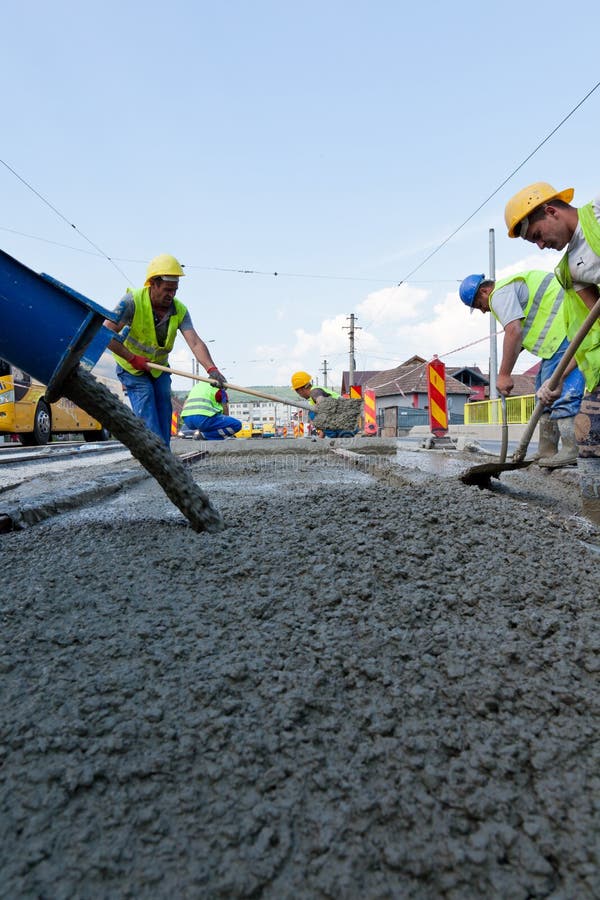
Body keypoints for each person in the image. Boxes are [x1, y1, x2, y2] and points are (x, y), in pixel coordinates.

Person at [459, 270, 584, 467]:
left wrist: (504, 374)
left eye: (479, 305)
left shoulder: (499, 294)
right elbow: (518, 339)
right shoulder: (509, 292)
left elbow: (513, 331)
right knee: (542, 393)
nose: (483, 310)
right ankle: (547, 450)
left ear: (484, 291)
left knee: (557, 392)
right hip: (555, 340)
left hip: (565, 330)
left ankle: (571, 448)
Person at [103, 254, 226, 446]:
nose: (171, 295)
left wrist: (212, 369)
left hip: (159, 368)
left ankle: (164, 455)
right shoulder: (132, 301)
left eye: (175, 290)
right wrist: (132, 358)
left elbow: (194, 342)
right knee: (147, 409)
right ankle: (155, 458)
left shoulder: (179, 310)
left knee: (163, 410)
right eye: (167, 290)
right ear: (153, 284)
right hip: (132, 368)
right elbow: (106, 334)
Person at [290, 370, 357, 438]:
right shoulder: (314, 394)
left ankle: (339, 435)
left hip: (347, 422)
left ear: (300, 390)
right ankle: (339, 435)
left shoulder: (314, 392)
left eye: (297, 392)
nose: (299, 395)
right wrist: (320, 439)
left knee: (312, 412)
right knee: (315, 411)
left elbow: (321, 401)